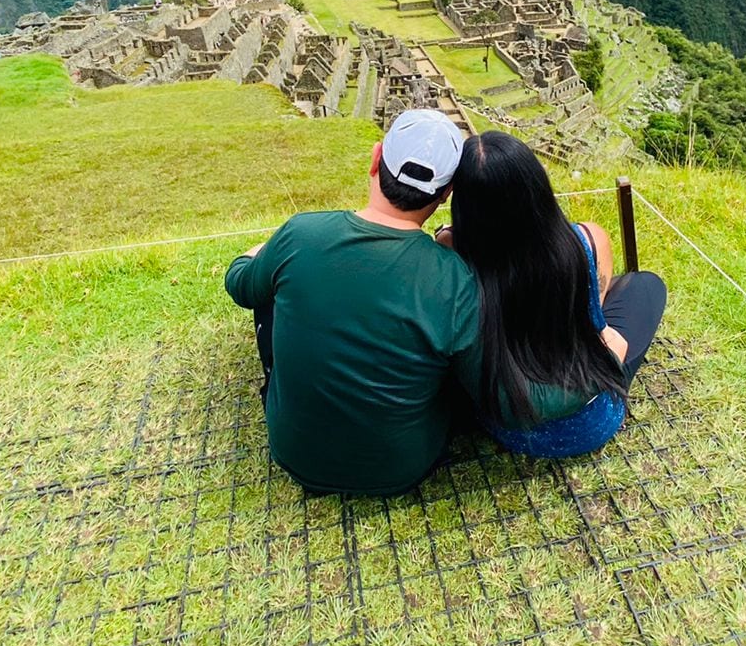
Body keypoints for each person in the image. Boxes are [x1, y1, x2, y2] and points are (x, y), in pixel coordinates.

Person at [224, 109, 480, 496]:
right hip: (401, 468)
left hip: (295, 455)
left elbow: (240, 285)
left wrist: (257, 254)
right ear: (446, 193)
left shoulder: (300, 234)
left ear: (376, 159)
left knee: (271, 290)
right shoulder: (454, 276)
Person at [443, 130, 667, 458]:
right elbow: (596, 310)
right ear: (537, 186)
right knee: (647, 286)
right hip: (589, 423)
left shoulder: (451, 259)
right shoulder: (584, 241)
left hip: (505, 426)